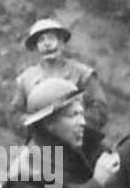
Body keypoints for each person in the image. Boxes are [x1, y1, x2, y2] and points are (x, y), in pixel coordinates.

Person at [10, 18, 108, 158]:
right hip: (40, 148)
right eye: (41, 40)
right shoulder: (26, 79)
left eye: (51, 38)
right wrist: (37, 126)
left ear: (62, 42)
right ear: (36, 47)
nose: (47, 44)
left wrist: (73, 124)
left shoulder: (82, 74)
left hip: (80, 146)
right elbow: (15, 114)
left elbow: (99, 109)